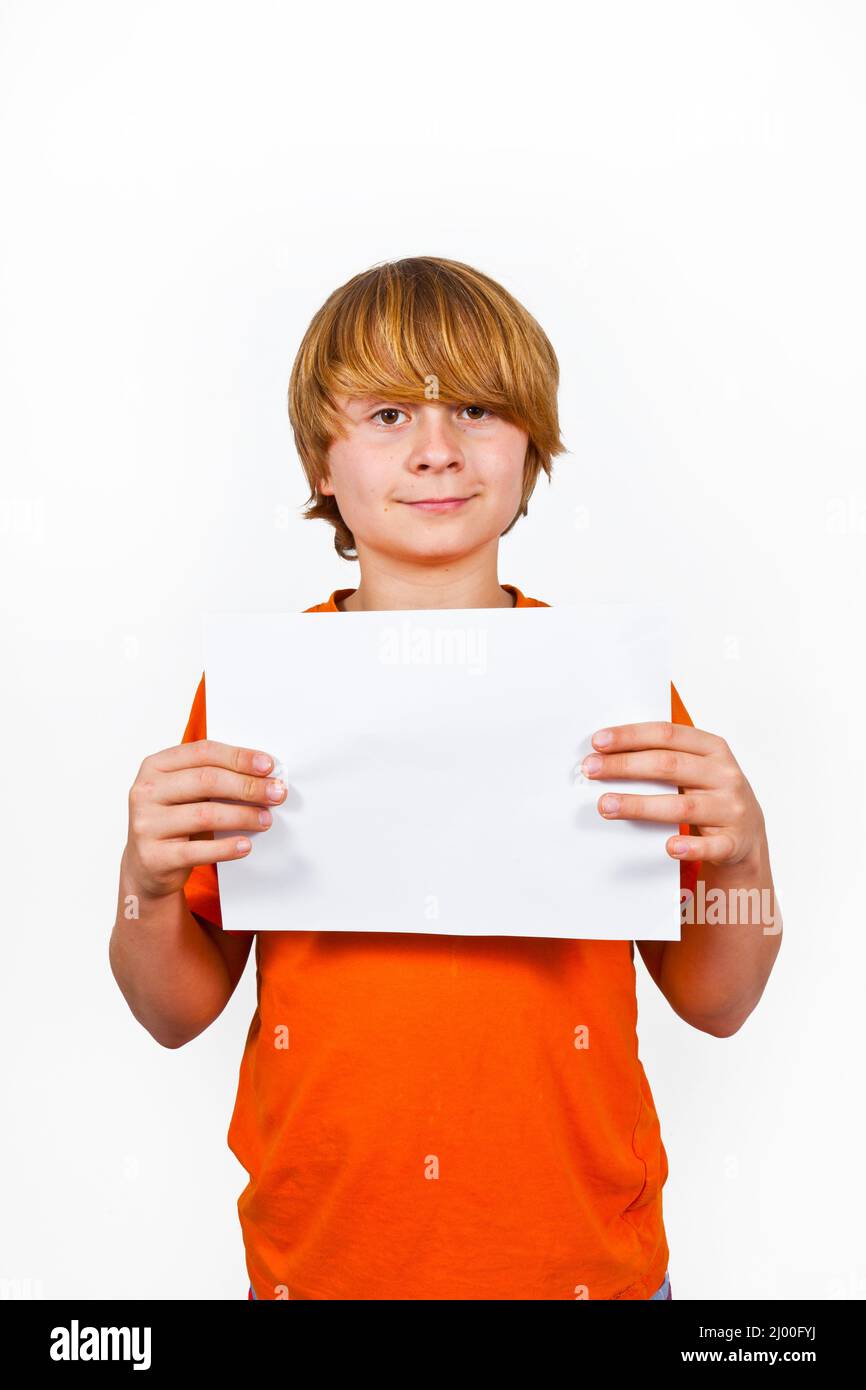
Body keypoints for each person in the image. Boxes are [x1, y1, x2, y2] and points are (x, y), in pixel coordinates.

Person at [109, 256, 781, 1300]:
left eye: (475, 407)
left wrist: (746, 845)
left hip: (583, 1273)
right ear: (318, 461)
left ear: (529, 446)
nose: (435, 449)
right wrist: (143, 885)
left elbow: (718, 999)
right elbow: (175, 1010)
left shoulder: (612, 689)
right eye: (385, 413)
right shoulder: (258, 693)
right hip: (320, 1271)